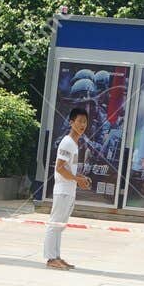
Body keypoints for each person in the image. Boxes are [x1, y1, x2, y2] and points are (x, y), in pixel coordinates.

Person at [46, 107, 90, 270]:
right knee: (55, 224)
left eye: (85, 122)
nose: (82, 125)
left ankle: (56, 257)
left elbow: (68, 168)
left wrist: (80, 177)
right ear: (71, 122)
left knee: (60, 225)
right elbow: (59, 168)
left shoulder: (74, 143)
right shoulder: (67, 142)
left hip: (69, 190)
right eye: (79, 121)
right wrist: (77, 180)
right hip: (62, 190)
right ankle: (51, 258)